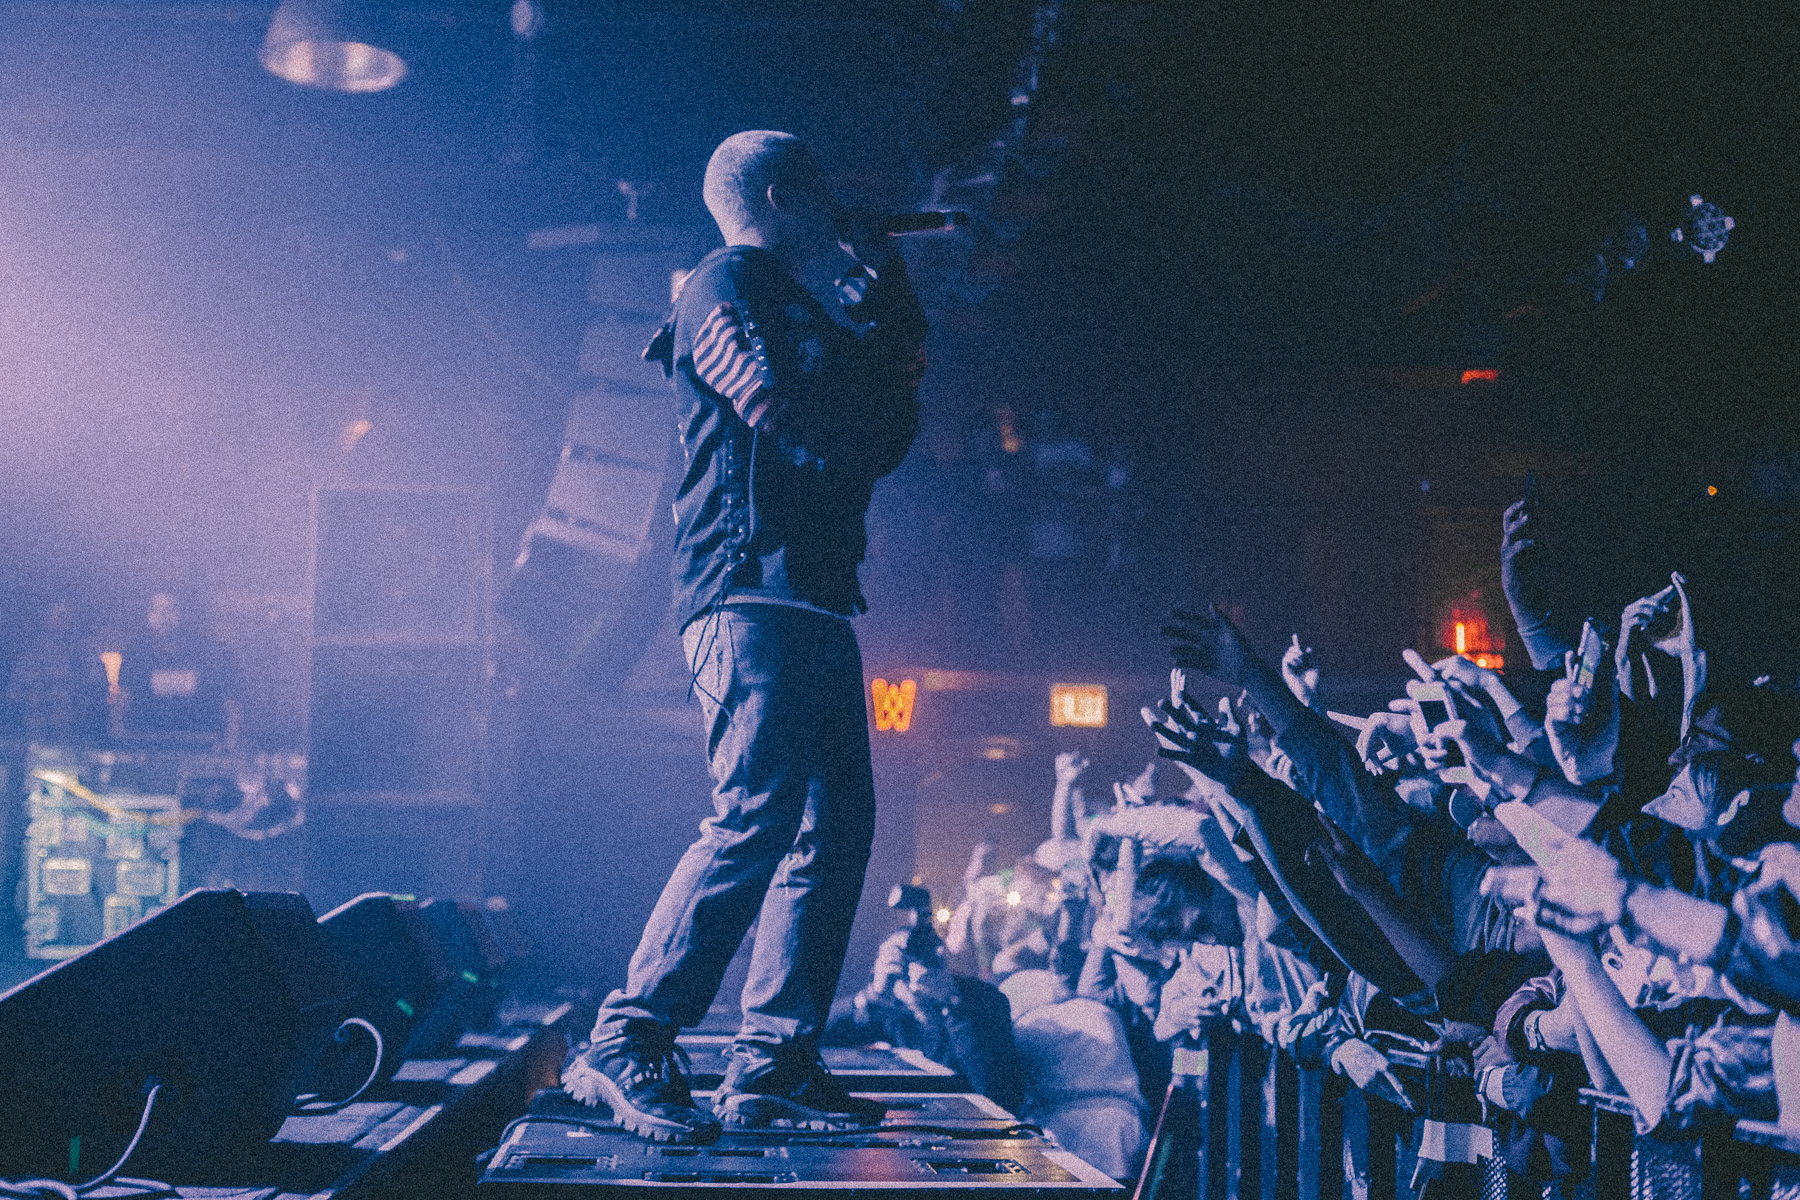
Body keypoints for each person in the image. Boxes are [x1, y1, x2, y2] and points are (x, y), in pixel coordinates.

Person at [561, 130, 926, 1143]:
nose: (835, 209)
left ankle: (772, 1063)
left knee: (834, 829)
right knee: (756, 816)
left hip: (813, 599)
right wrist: (849, 360)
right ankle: (631, 1035)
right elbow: (777, 405)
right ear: (779, 192)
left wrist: (887, 302)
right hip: (745, 590)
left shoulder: (811, 305)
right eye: (821, 191)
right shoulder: (722, 283)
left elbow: (885, 438)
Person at [824, 927, 1024, 1113]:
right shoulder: (892, 1011)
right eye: (903, 960)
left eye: (920, 959)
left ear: (941, 959)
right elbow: (810, 1036)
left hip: (977, 1127)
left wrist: (952, 1003)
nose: (913, 971)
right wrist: (870, 997)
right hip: (918, 1124)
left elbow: (1000, 1098)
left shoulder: (984, 1001)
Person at [114, 591, 242, 747]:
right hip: (146, 743)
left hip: (201, 743)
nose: (163, 617)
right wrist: (118, 737)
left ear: (184, 613)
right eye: (156, 610)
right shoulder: (136, 653)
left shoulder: (207, 652)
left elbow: (229, 700)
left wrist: (231, 740)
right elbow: (122, 698)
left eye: (170, 609)